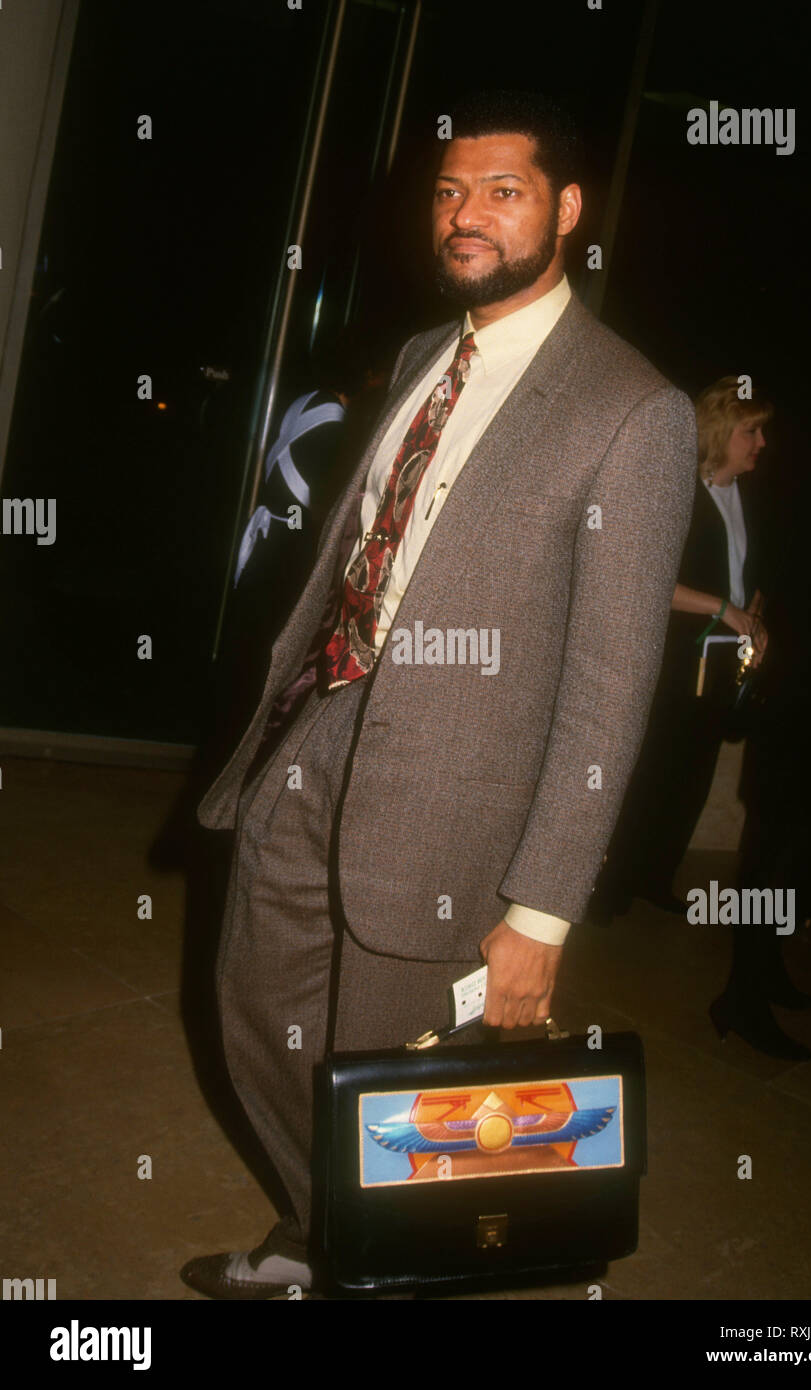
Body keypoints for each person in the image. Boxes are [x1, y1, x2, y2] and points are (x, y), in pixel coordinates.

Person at [180, 89, 697, 1299]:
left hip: (459, 810)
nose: (466, 215)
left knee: (406, 1102)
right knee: (254, 1001)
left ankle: (374, 1262)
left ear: (568, 211)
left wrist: (542, 913)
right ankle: (329, 1227)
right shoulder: (422, 358)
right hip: (320, 730)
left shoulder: (635, 410)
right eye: (450, 190)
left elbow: (611, 685)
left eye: (502, 191)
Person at [592, 376, 773, 923]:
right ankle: (609, 889)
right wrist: (725, 609)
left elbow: (752, 577)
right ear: (720, 431)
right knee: (649, 773)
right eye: (751, 431)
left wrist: (757, 621)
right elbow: (649, 580)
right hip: (670, 659)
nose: (760, 444)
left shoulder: (750, 495)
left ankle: (655, 876)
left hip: (718, 662)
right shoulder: (675, 490)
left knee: (693, 775)